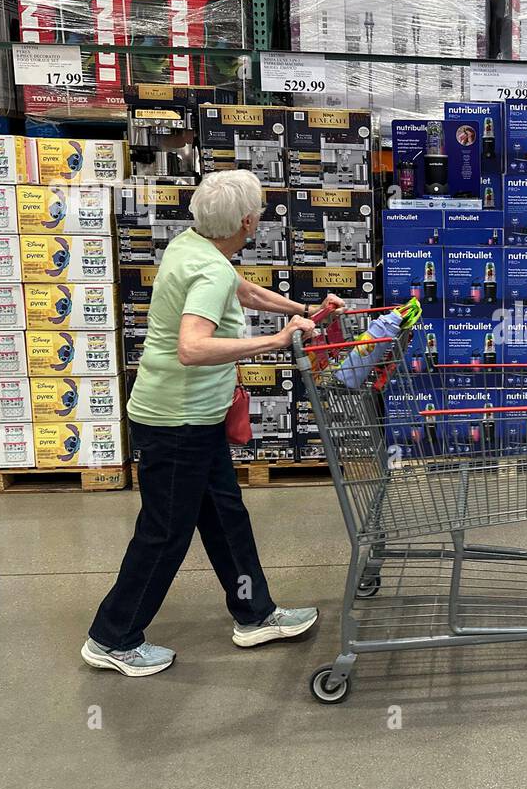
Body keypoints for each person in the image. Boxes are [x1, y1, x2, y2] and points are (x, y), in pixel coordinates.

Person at [82, 170, 344, 677]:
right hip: (175, 423)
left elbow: (241, 289)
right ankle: (111, 637)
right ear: (247, 221)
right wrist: (275, 341)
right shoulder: (208, 270)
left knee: (226, 518)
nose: (261, 217)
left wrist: (303, 311)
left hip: (196, 420)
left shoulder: (194, 245)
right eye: (260, 211)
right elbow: (192, 347)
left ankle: (255, 613)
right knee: (164, 534)